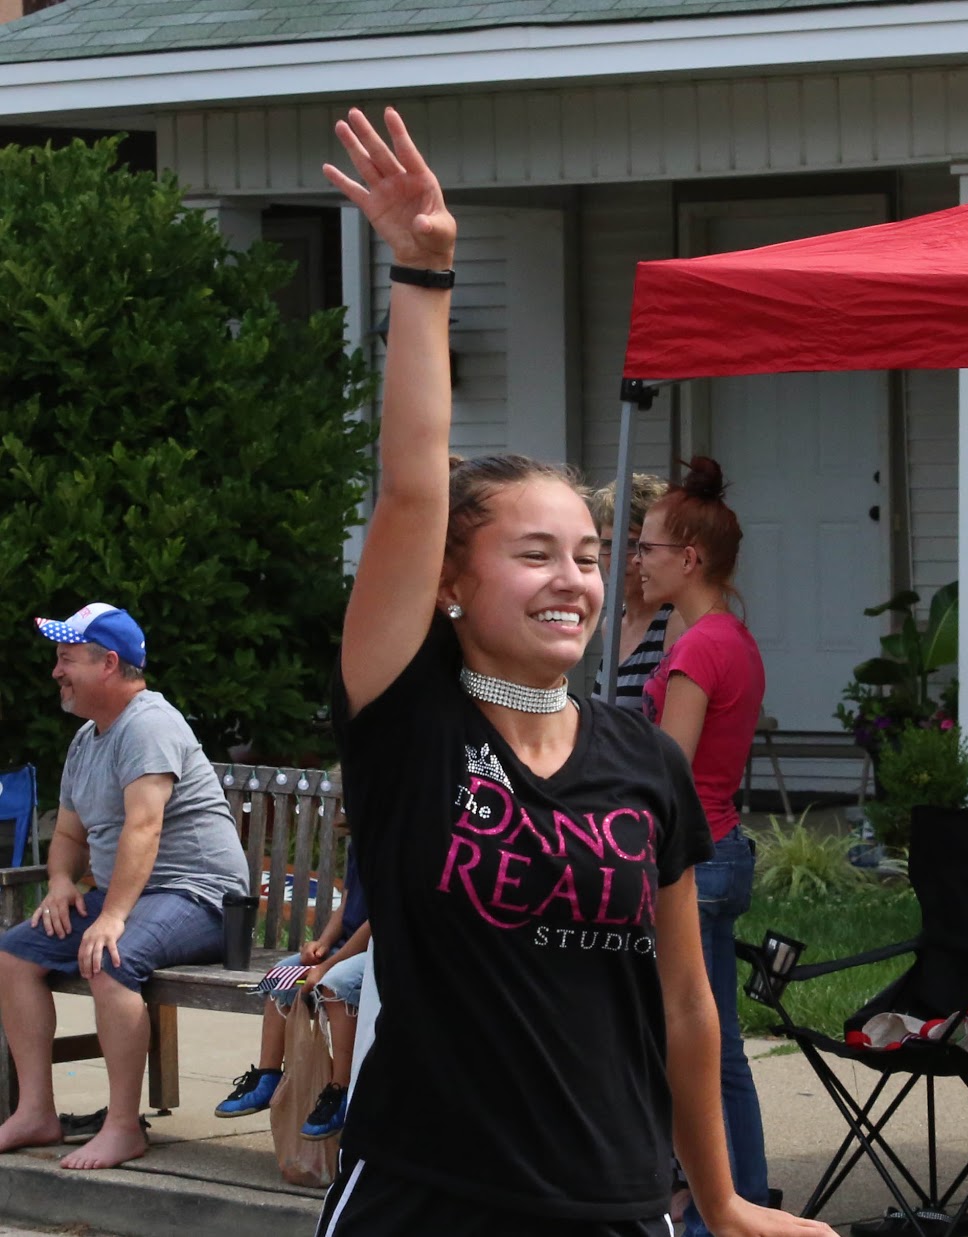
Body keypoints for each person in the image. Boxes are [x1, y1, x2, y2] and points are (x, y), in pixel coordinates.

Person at [316, 106, 830, 1237]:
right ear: (451, 578)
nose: (574, 581)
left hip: (612, 1202)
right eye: (534, 553)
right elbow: (411, 487)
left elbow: (686, 1006)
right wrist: (424, 267)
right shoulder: (410, 723)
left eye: (592, 557)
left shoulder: (640, 760)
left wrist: (721, 1199)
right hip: (426, 1199)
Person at [0, 603, 250, 1171]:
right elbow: (67, 831)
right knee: (14, 956)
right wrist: (62, 881)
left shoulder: (149, 724)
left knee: (110, 961)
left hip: (201, 897)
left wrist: (111, 917)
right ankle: (36, 1110)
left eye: (66, 659)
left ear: (108, 663)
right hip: (135, 897)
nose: (56, 671)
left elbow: (145, 826)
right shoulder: (89, 739)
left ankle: (122, 1126)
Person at [633, 461, 770, 1234]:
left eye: (650, 547)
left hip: (695, 857)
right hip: (721, 848)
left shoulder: (696, 650)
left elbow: (667, 773)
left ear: (689, 558)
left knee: (704, 1051)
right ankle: (729, 1201)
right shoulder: (729, 637)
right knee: (716, 1048)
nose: (638, 560)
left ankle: (729, 1208)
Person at [215, 853, 370, 1140]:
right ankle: (268, 1075)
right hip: (345, 948)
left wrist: (326, 966)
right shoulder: (361, 837)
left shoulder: (396, 835)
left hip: (376, 950)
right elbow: (347, 904)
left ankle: (342, 1089)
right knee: (281, 975)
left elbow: (378, 920)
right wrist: (322, 944)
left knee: (335, 984)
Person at [592, 472, 679, 711]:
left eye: (631, 545)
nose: (617, 558)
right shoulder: (611, 625)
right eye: (608, 545)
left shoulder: (675, 622)